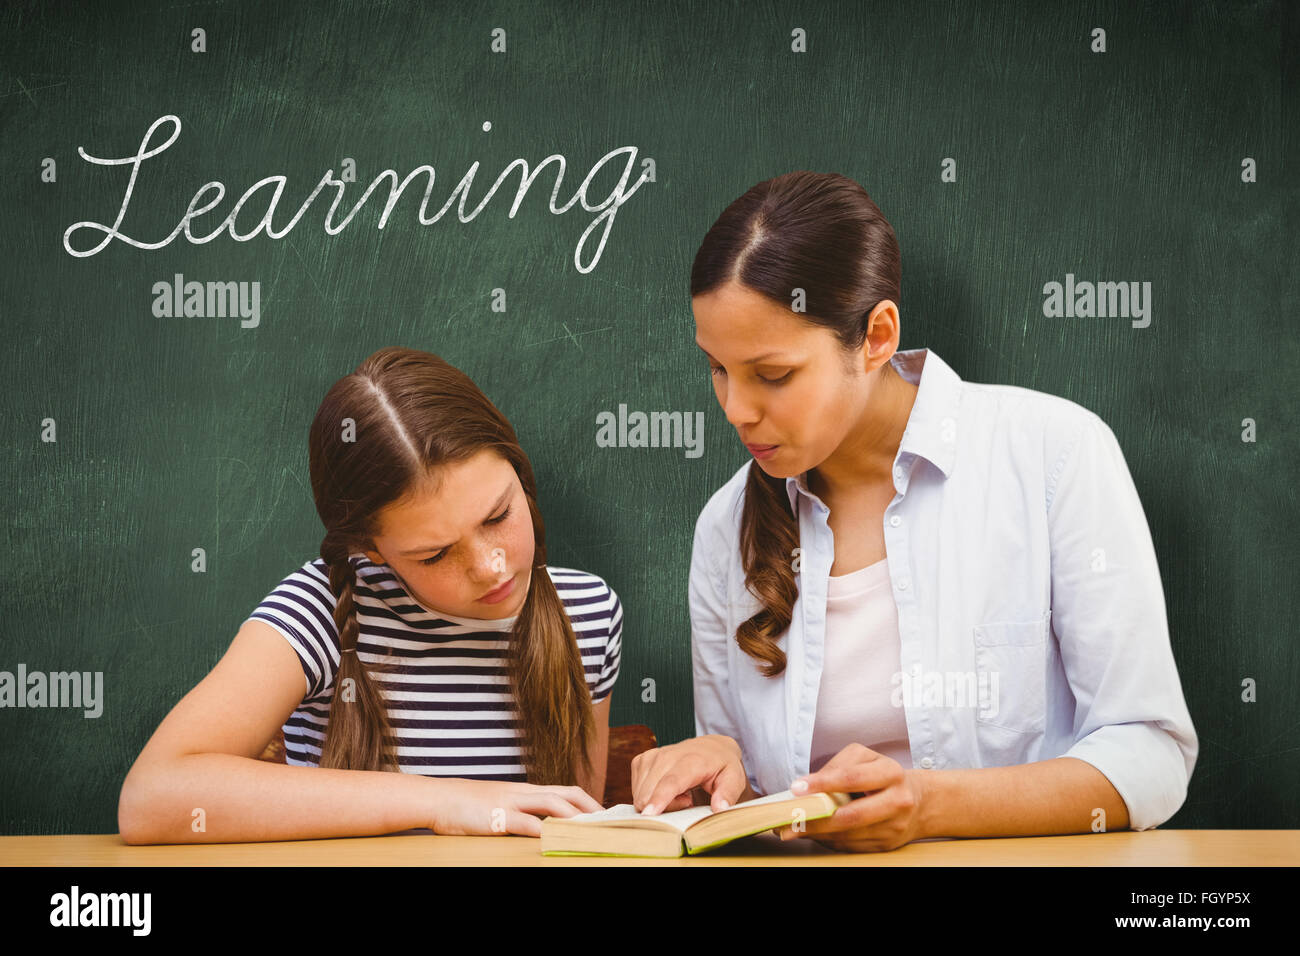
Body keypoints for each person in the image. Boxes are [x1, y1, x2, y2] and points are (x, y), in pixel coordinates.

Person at [630, 171, 1197, 852]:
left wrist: (929, 805)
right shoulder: (727, 528)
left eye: (772, 375)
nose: (735, 409)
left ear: (876, 337)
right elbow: (758, 807)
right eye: (717, 368)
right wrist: (718, 778)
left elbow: (1149, 754)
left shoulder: (1055, 456)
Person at [118, 347, 620, 844]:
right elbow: (152, 798)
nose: (490, 567)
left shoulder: (589, 613)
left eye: (498, 516)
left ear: (517, 470)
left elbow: (575, 833)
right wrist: (443, 800)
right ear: (371, 550)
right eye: (435, 554)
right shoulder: (320, 610)